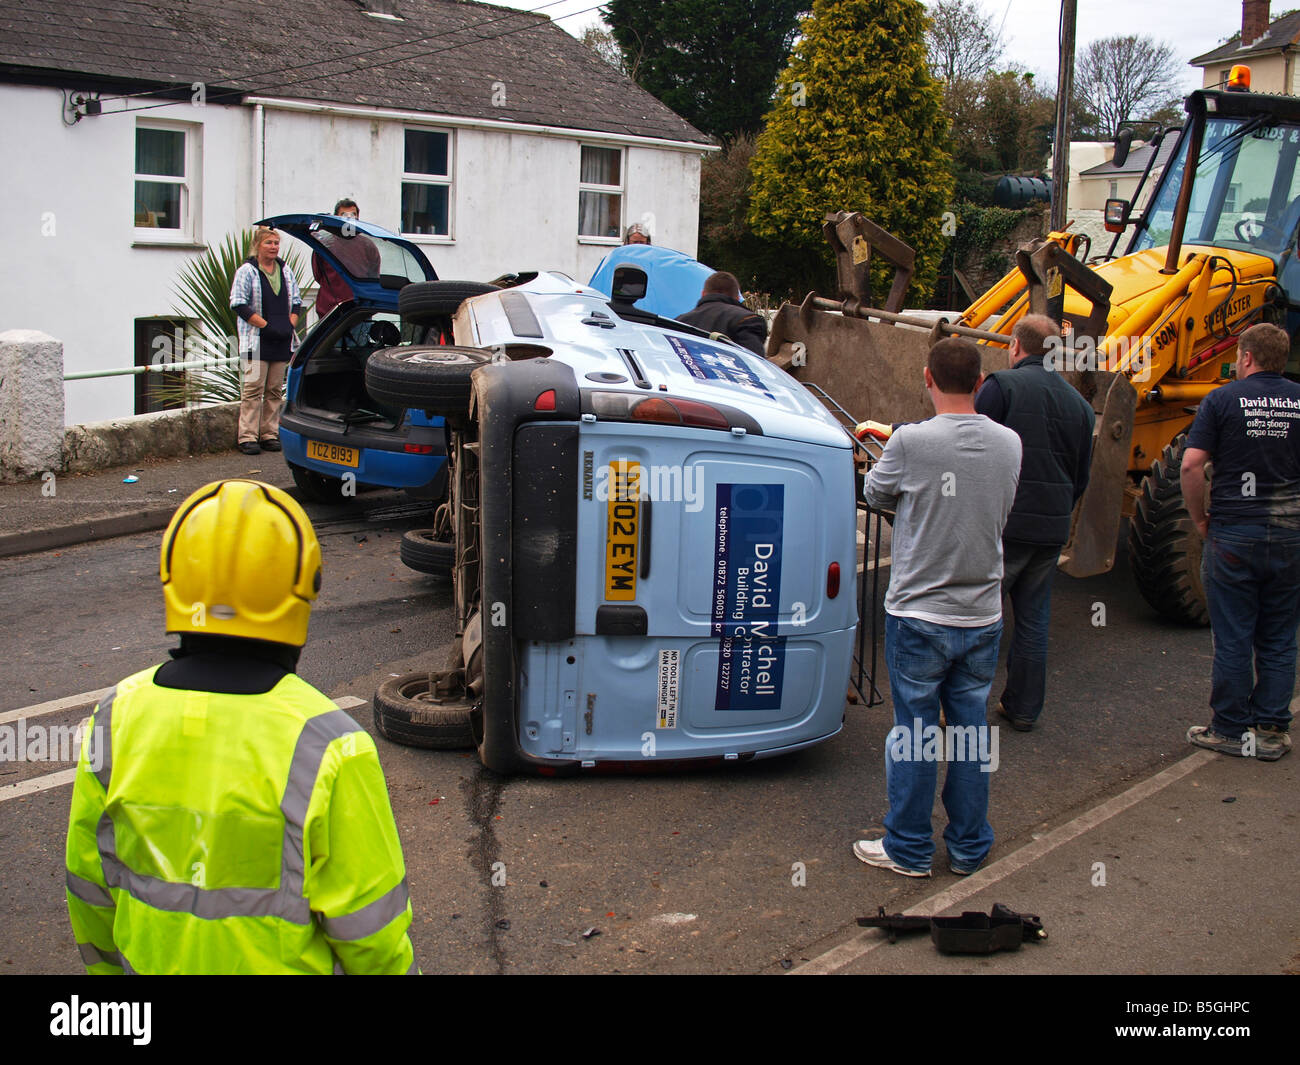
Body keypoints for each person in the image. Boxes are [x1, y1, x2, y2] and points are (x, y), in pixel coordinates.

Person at [65, 479, 417, 974]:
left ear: (172, 578)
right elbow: (372, 937)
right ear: (304, 587)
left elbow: (89, 884)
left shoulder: (114, 716)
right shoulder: (331, 745)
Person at [856, 338, 1022, 877]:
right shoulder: (1011, 443)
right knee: (970, 733)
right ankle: (970, 848)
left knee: (915, 732)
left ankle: (908, 849)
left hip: (920, 615)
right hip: (981, 615)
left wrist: (891, 442)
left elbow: (877, 494)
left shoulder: (908, 442)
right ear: (980, 382)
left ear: (926, 378)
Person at [1182, 322, 1300, 762]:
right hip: (1290, 536)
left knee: (1233, 635)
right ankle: (1270, 732)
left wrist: (1200, 520)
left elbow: (1192, 466)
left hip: (1234, 533)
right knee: (1279, 635)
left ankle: (1230, 728)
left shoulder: (1222, 400)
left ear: (1246, 357)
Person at [974, 314, 1095, 731]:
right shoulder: (1080, 406)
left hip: (1003, 527)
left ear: (1014, 346)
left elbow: (971, 445)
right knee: (1033, 620)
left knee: (976, 616)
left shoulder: (1001, 387)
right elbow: (1081, 476)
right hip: (1050, 529)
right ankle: (1023, 709)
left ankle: (960, 707)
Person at [230, 227, 304, 455]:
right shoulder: (247, 271)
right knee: (253, 389)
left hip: (282, 340)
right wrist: (266, 326)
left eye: (276, 243)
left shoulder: (285, 270)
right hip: (255, 341)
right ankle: (247, 437)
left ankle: (269, 434)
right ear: (258, 246)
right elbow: (239, 304)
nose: (273, 247)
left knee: (274, 390)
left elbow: (297, 302)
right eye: (268, 243)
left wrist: (290, 324)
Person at [313, 199, 382, 319]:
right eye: (344, 215)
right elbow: (318, 274)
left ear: (358, 218)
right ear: (336, 217)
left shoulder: (368, 246)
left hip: (359, 311)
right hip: (330, 311)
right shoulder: (325, 244)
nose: (349, 219)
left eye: (353, 215)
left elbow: (373, 276)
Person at [676, 271, 768, 357]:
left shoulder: (679, 322)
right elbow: (754, 363)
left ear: (703, 294)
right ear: (737, 298)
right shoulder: (748, 320)